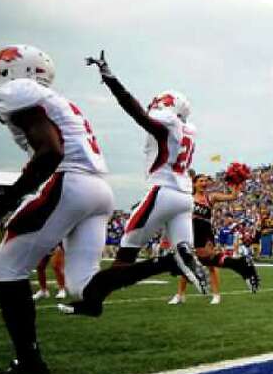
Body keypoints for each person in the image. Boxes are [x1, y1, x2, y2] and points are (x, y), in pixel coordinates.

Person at [0, 45, 186, 374]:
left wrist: (3, 203)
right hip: (99, 190)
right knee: (83, 287)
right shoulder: (55, 101)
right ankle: (167, 262)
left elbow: (50, 152)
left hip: (69, 182)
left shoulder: (18, 92)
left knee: (5, 270)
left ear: (15, 70)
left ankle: (29, 364)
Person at [73, 51, 212, 307]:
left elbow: (135, 112)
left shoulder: (168, 124)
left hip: (163, 191)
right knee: (184, 253)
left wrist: (111, 80)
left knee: (126, 253)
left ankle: (93, 301)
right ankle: (180, 261)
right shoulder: (189, 131)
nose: (157, 106)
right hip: (184, 198)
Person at [170, 174, 259, 305]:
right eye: (201, 181)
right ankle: (180, 295)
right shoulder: (188, 198)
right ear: (194, 184)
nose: (204, 183)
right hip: (190, 232)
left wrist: (235, 184)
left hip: (205, 233)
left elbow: (233, 196)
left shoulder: (211, 197)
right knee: (187, 263)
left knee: (211, 265)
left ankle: (216, 295)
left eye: (206, 181)